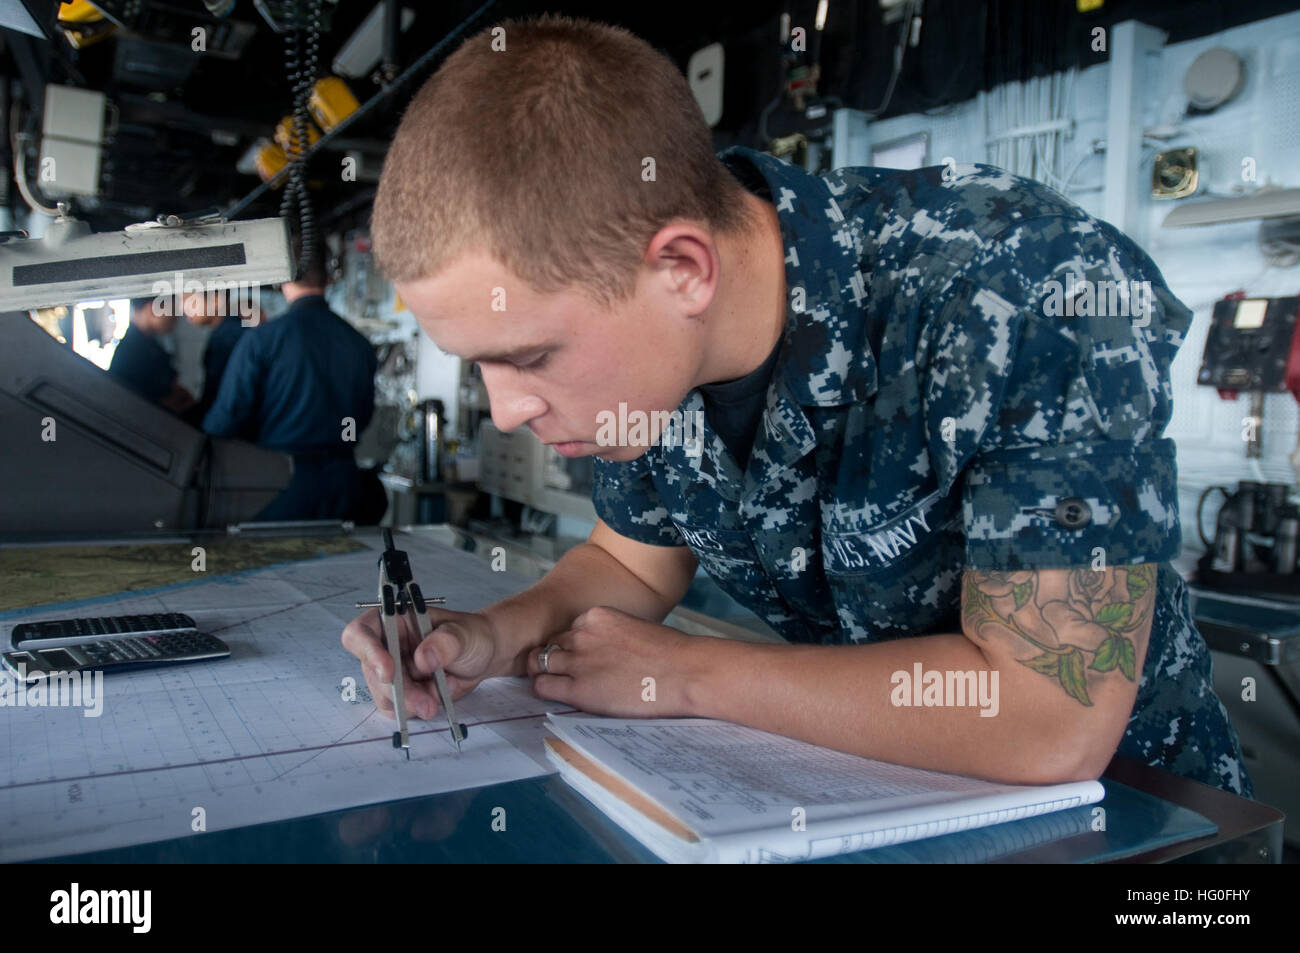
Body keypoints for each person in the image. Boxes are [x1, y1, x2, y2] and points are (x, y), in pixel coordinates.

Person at [344, 14, 1252, 796]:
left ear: (682, 268)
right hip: (865, 796)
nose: (504, 411)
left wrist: (690, 674)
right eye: (479, 368)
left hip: (1135, 823)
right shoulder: (659, 359)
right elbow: (631, 564)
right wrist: (487, 637)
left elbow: (1048, 719)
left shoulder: (1027, 286)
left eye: (532, 355)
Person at [202, 237, 381, 522]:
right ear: (330, 276)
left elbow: (227, 417)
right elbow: (364, 413)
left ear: (282, 277)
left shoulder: (261, 341)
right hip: (344, 486)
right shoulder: (358, 343)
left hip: (280, 485)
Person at [107, 295, 197, 416]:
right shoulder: (131, 352)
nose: (176, 319)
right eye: (173, 311)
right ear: (153, 309)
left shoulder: (148, 345)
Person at [183, 288, 258, 425]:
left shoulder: (230, 338)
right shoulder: (226, 332)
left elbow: (228, 397)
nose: (184, 309)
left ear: (216, 300)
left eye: (191, 302)